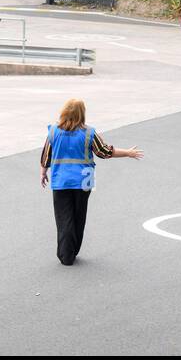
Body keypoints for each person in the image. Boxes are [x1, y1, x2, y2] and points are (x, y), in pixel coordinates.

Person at [39, 98, 142, 266]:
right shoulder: (89, 133)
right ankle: (72, 250)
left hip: (61, 180)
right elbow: (104, 152)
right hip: (84, 180)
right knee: (79, 216)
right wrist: (128, 153)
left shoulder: (53, 132)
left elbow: (46, 155)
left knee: (64, 217)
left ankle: (66, 255)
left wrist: (44, 171)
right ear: (82, 113)